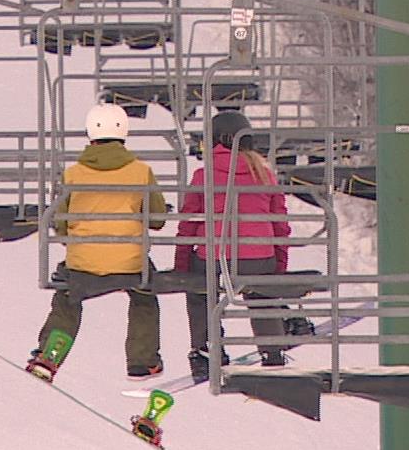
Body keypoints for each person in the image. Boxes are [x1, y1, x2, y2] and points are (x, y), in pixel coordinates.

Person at [25, 104, 169, 383]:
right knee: (144, 295)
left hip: (83, 262)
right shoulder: (141, 171)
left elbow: (61, 221)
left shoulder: (73, 173)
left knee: (67, 296)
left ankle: (49, 356)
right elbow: (159, 218)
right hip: (130, 262)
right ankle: (143, 361)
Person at [174, 111, 293, 379]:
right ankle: (272, 350)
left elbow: (189, 224)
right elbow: (280, 224)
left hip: (214, 260)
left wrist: (182, 263)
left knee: (200, 288)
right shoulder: (264, 175)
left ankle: (206, 348)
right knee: (262, 291)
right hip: (260, 257)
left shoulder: (204, 175)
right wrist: (279, 264)